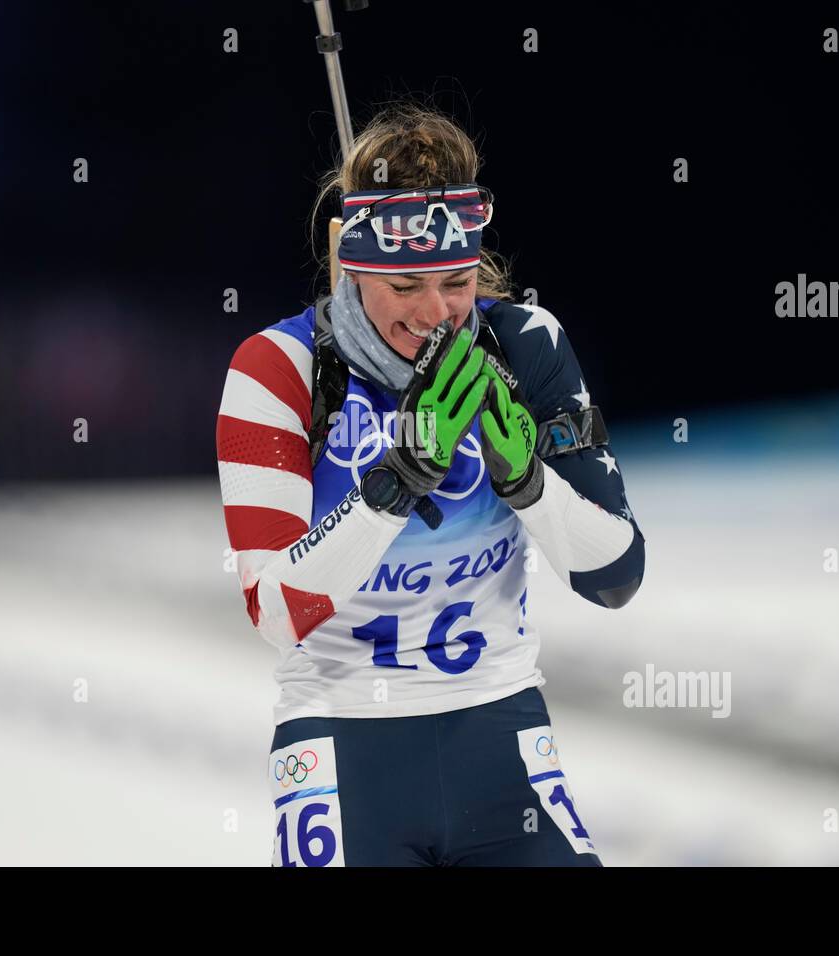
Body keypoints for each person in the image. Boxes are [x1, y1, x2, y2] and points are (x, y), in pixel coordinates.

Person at [215, 103, 645, 866]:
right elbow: (275, 611)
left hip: (499, 727)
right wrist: (395, 485)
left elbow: (616, 576)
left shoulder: (524, 345)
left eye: (456, 281)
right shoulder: (277, 370)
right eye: (404, 284)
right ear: (350, 266)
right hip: (341, 743)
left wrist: (527, 484)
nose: (435, 313)